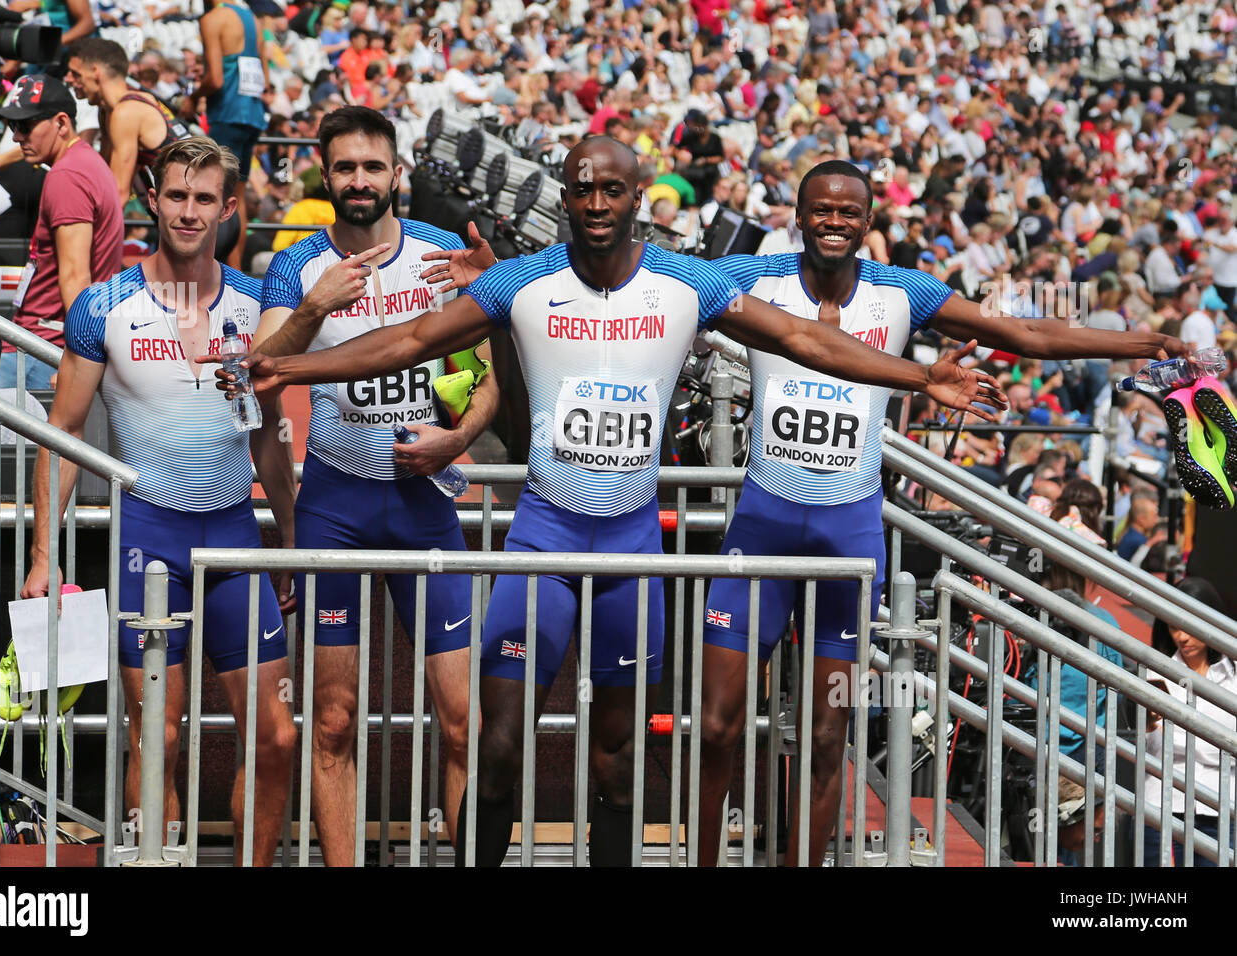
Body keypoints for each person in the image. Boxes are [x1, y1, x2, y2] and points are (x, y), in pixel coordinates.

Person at [213, 136, 1006, 867]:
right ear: (566, 196)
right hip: (544, 541)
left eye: (614, 189)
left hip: (631, 550)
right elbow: (412, 339)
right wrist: (293, 371)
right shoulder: (519, 280)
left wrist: (917, 376)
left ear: (636, 198)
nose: (597, 201)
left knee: (620, 761)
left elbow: (803, 340)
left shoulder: (685, 281)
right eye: (583, 188)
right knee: (496, 744)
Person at [698, 159, 1185, 867]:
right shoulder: (752, 278)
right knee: (715, 726)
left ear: (869, 223)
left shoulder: (902, 293)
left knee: (829, 735)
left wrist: (1147, 344)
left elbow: (1029, 336)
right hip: (762, 526)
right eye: (821, 210)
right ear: (797, 218)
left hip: (849, 533)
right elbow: (656, 279)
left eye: (849, 212)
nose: (834, 221)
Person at [23, 137, 297, 867]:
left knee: (276, 735)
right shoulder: (103, 305)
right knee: (158, 736)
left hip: (236, 536)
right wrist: (43, 555)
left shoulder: (256, 303)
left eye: (204, 198)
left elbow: (268, 438)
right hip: (147, 539)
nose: (188, 210)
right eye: (176, 194)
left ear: (228, 209)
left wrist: (291, 546)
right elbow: (64, 433)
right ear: (153, 197)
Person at [249, 107, 499, 864]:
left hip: (426, 504)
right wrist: (316, 307)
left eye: (373, 166)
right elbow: (258, 373)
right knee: (332, 719)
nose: (360, 180)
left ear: (398, 172)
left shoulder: (442, 251)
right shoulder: (296, 265)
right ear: (326, 175)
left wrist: (458, 436)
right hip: (336, 506)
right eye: (346, 168)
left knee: (461, 721)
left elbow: (483, 379)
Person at [0, 74, 123, 391]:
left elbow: (77, 276)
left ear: (62, 122)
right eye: (13, 127)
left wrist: (77, 358)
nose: (16, 137)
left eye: (25, 126)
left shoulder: (68, 175)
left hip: (41, 348)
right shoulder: (83, 163)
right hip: (45, 344)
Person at [1144, 577, 1237, 866]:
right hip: (1162, 806)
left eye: (1189, 627)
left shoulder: (1234, 676)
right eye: (1173, 626)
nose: (1182, 637)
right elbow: (1150, 747)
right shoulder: (1155, 673)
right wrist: (1148, 725)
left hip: (1219, 809)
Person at [65, 37, 191, 212]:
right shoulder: (109, 109)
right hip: (185, 211)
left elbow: (118, 193)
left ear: (95, 72)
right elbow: (105, 176)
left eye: (76, 73)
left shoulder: (126, 112)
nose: (69, 79)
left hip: (198, 216)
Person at [188, 0, 269, 269]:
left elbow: (217, 81)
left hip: (227, 113)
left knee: (215, 191)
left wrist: (192, 97)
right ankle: (234, 270)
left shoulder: (213, 19)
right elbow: (265, 79)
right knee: (239, 196)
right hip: (253, 114)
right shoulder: (254, 21)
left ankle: (215, 269)